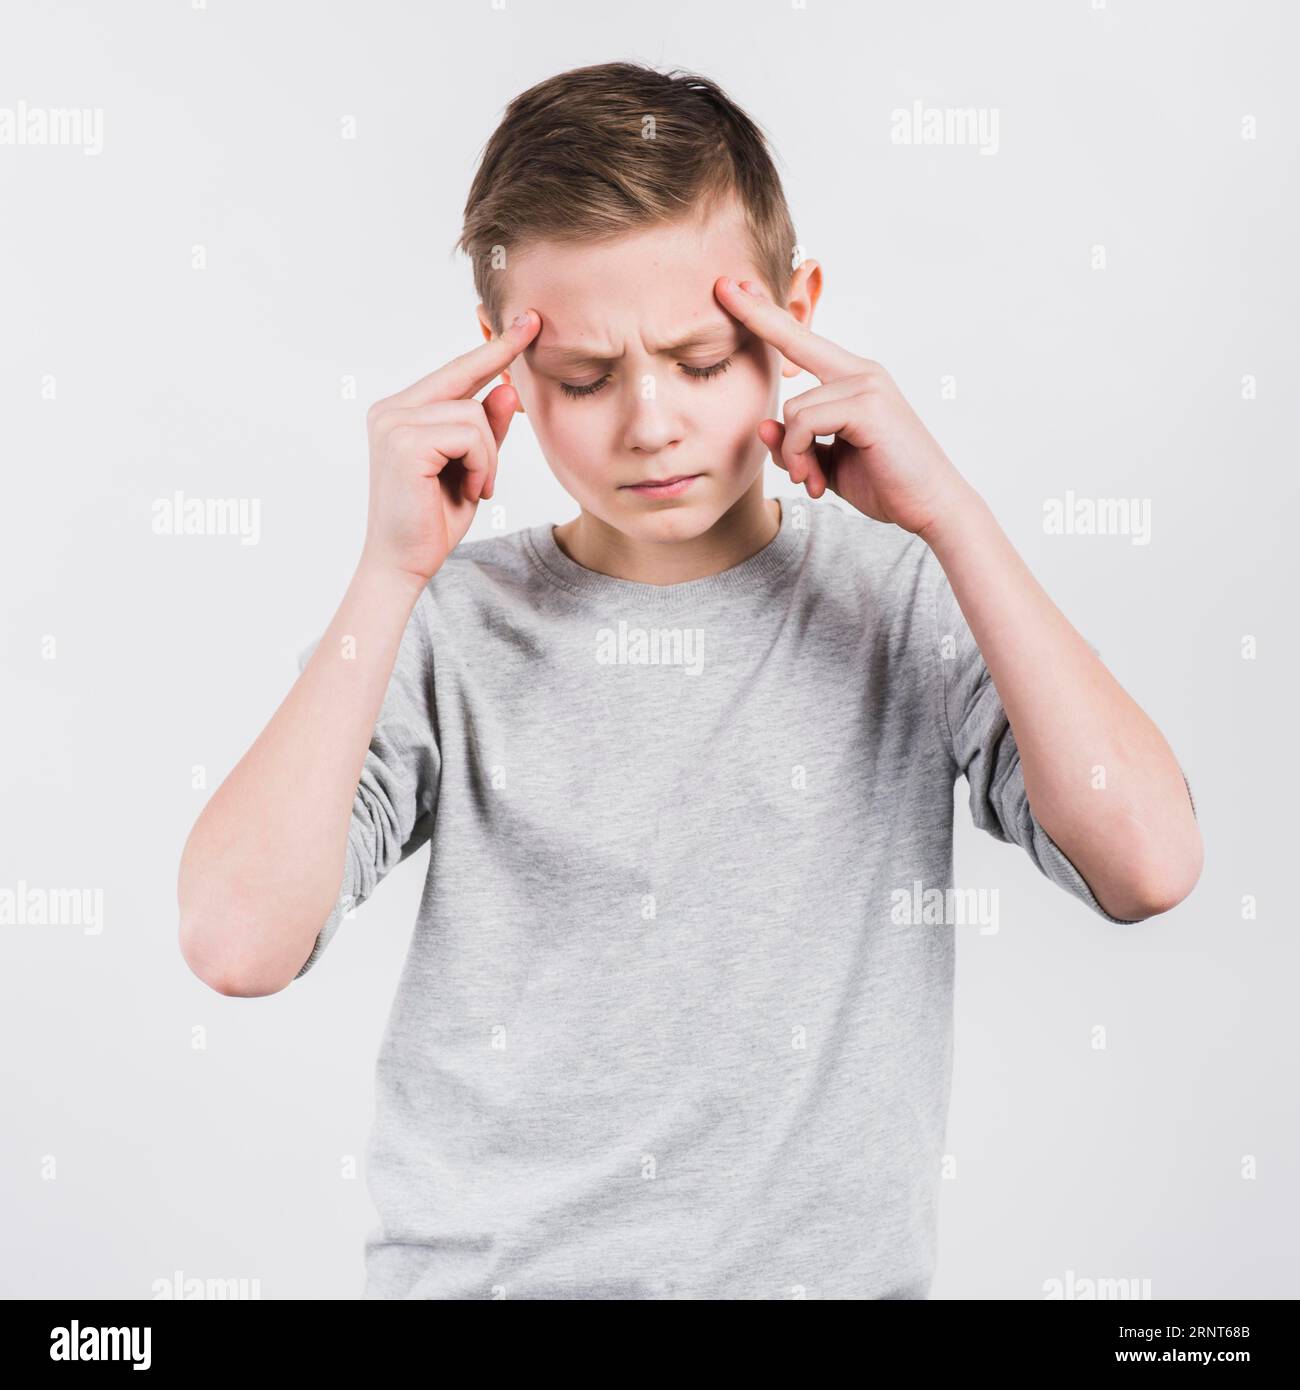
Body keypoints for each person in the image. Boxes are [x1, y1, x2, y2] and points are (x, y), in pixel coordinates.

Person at [176, 61, 1202, 1299]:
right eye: (584, 380)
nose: (649, 423)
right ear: (504, 371)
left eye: (704, 361)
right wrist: (387, 574)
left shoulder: (898, 598)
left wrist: (954, 520)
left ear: (793, 311)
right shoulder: (447, 624)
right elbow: (236, 941)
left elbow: (1148, 863)